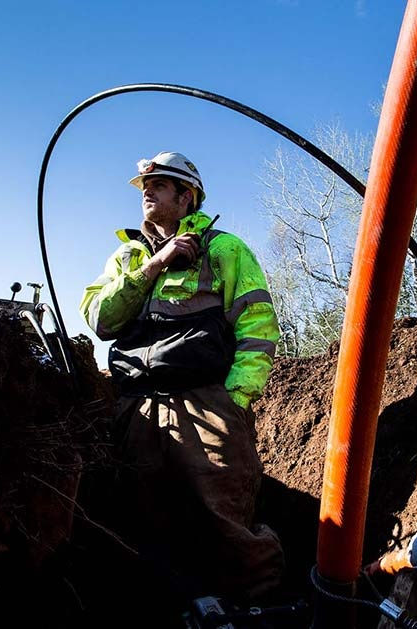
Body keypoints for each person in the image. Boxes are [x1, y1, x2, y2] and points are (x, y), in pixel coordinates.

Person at [79, 151, 284, 601]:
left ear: (186, 196)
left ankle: (260, 607)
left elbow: (258, 325)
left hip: (206, 403)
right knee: (142, 524)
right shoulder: (126, 257)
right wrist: (153, 266)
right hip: (137, 409)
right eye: (144, 188)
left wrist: (236, 399)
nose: (147, 193)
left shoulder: (223, 248)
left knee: (225, 522)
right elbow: (101, 319)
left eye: (159, 185)